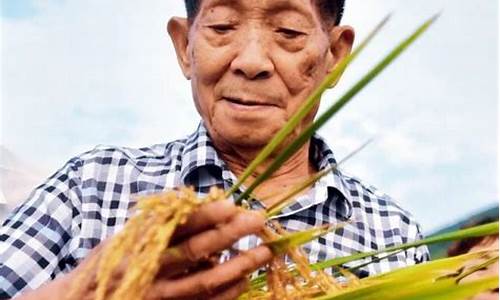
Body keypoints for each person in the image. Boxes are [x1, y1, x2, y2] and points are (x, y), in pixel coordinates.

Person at [0, 0, 430, 299]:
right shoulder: (94, 188)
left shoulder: (391, 234)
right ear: (184, 46)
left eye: (288, 32)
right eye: (222, 27)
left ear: (335, 55)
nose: (251, 61)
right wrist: (86, 293)